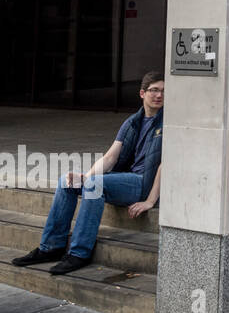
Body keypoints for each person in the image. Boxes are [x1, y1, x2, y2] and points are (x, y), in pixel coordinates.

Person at [11, 72, 165, 275]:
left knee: (95, 186)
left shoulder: (169, 123)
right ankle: (51, 247)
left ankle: (79, 253)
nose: (159, 95)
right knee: (66, 182)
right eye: (154, 90)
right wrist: (85, 176)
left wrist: (150, 201)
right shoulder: (132, 122)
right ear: (142, 93)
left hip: (143, 183)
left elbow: (166, 165)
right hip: (125, 178)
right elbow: (110, 158)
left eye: (163, 91)